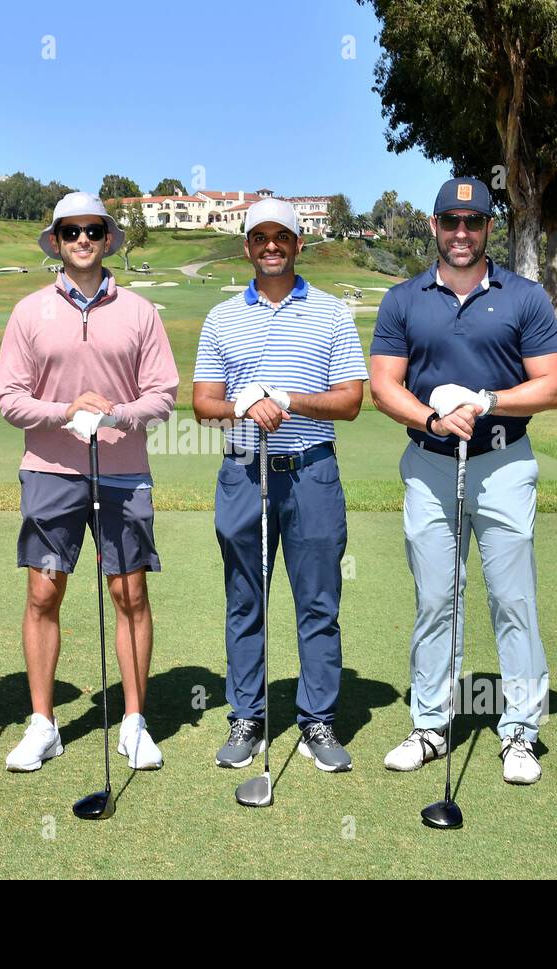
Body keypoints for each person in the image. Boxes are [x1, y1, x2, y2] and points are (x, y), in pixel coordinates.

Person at [369, 177, 557, 785]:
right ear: (433, 226)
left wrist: (486, 401)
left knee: (512, 600)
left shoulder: (524, 297)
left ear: (488, 228)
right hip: (430, 465)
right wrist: (432, 416)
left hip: (504, 462)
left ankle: (520, 734)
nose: (461, 233)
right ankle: (430, 723)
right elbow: (383, 386)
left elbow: (551, 386)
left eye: (473, 223)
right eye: (450, 222)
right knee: (436, 600)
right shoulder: (403, 299)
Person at [0, 192, 178, 772]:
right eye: (70, 231)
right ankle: (44, 723)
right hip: (51, 474)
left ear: (106, 238)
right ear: (56, 240)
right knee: (43, 591)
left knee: (129, 593)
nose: (81, 240)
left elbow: (164, 396)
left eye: (92, 231)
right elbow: (10, 399)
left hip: (123, 473)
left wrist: (116, 414)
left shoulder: (140, 311)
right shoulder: (29, 312)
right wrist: (67, 411)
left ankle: (133, 722)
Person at [192, 198, 368, 773]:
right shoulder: (222, 318)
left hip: (312, 472)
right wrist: (242, 405)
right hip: (246, 471)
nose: (271, 245)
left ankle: (317, 720)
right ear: (247, 246)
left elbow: (350, 400)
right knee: (246, 600)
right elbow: (202, 404)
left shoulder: (332, 313)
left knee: (319, 603)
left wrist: (291, 400)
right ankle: (247, 715)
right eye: (260, 237)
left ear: (298, 244)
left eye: (282, 236)